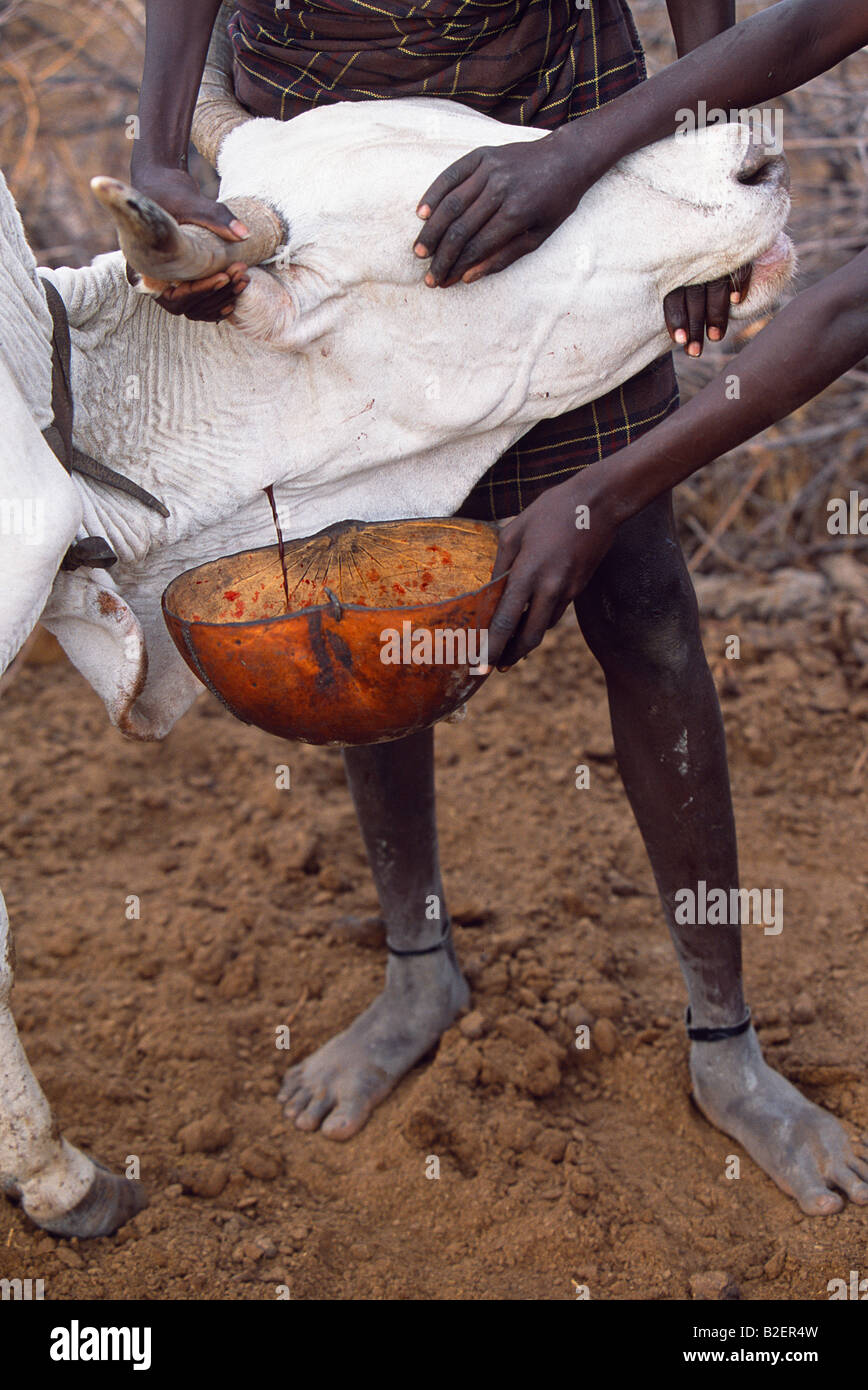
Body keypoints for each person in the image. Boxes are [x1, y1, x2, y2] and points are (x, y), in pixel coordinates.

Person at [132, 0, 868, 1215]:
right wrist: (164, 148)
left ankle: (723, 1041)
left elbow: (837, 300)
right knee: (361, 583)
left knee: (644, 608)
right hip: (336, 178)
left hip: (560, 131)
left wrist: (695, 187)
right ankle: (417, 968)